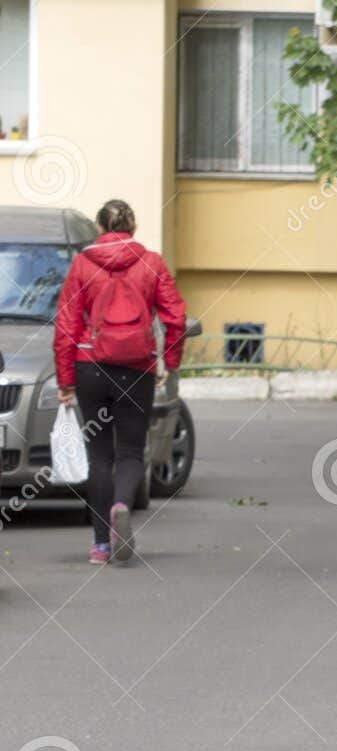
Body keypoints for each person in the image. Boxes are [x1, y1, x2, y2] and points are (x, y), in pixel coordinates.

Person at [53, 199, 186, 565]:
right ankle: (121, 507)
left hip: (90, 366)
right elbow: (176, 317)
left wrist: (66, 379)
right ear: (133, 227)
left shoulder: (82, 264)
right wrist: (169, 362)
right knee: (130, 451)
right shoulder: (152, 263)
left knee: (99, 455)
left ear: (99, 228)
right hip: (137, 368)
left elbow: (66, 326)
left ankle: (99, 546)